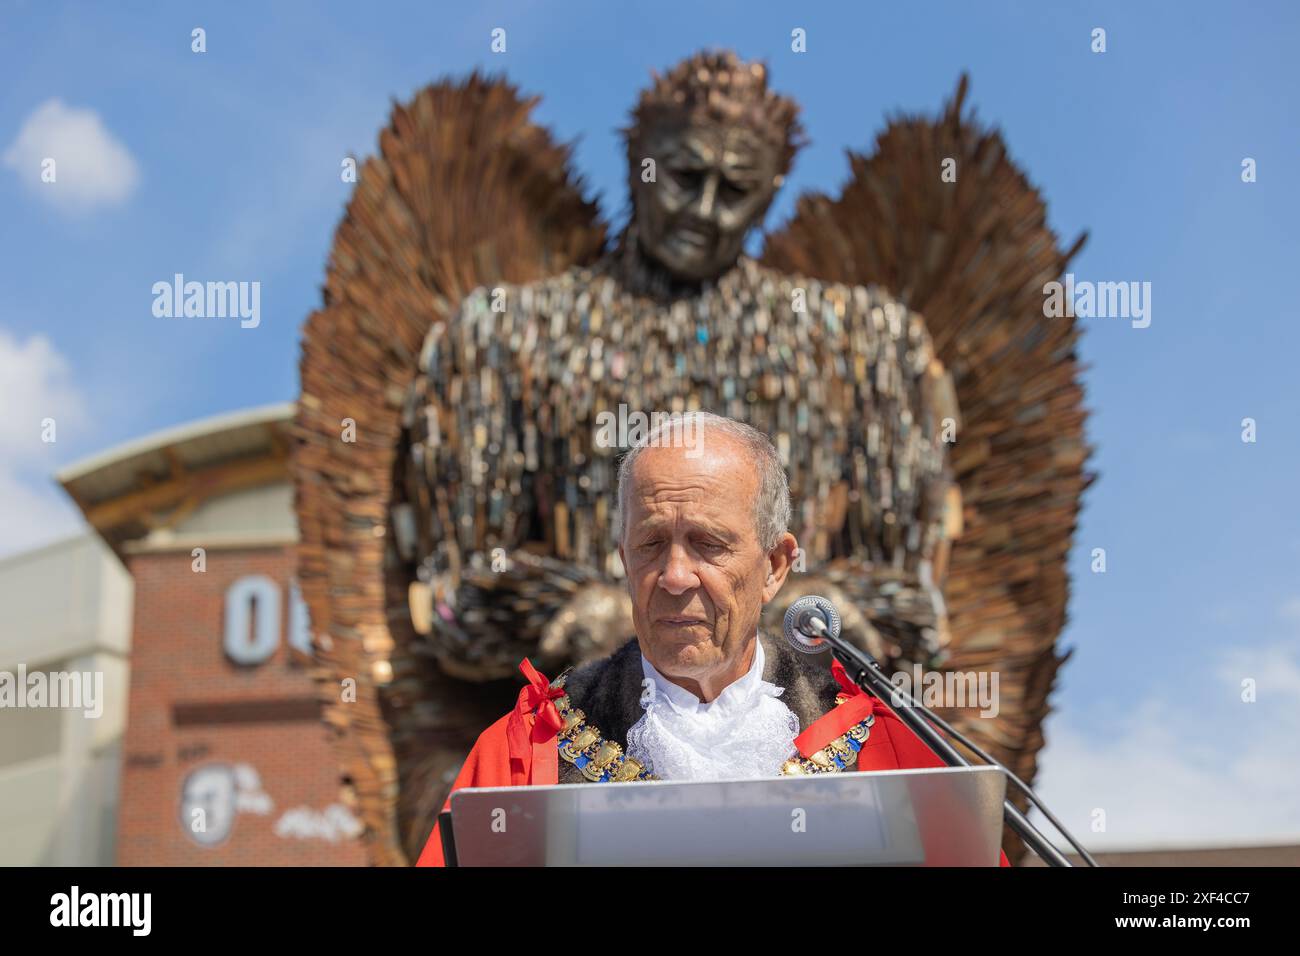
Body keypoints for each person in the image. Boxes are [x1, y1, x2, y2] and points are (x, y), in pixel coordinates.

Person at [416, 412, 1010, 866]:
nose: (675, 577)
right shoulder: (523, 753)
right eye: (651, 545)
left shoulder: (886, 749)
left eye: (709, 544)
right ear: (624, 559)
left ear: (776, 566)